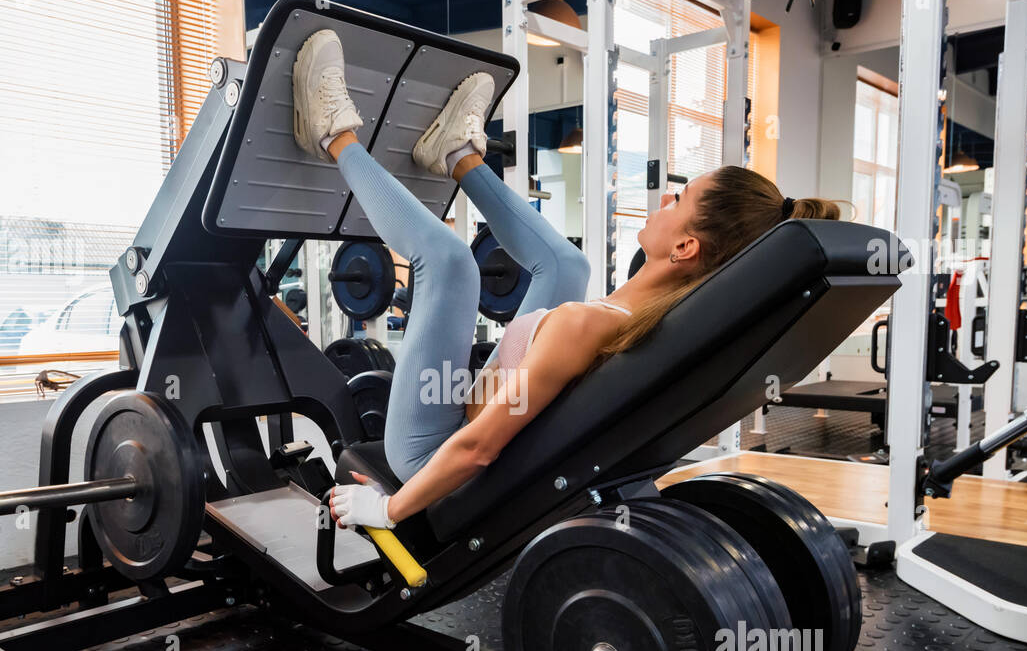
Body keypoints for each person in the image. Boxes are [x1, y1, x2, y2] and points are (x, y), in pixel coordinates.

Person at [291, 29, 839, 531]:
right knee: (567, 266)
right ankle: (456, 154)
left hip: (430, 449)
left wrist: (387, 509)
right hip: (467, 414)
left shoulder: (584, 326)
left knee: (452, 263)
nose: (665, 198)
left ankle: (333, 133)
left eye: (681, 198)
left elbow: (477, 449)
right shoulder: (639, 318)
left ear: (686, 247)